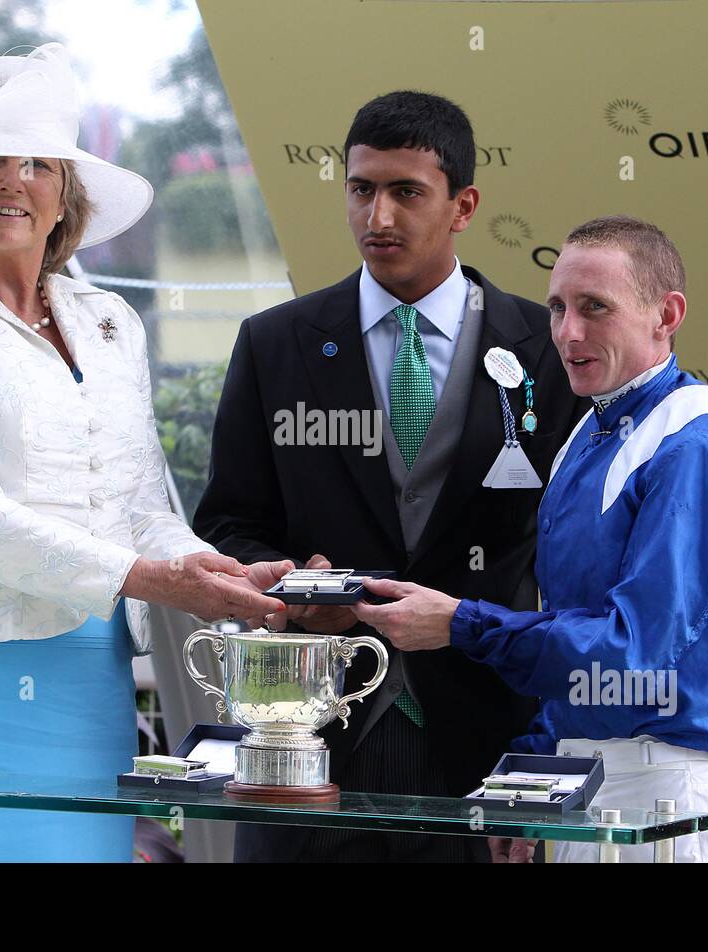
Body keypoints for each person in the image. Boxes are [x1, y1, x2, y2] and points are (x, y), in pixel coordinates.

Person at [0, 43, 288, 863]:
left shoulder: (111, 320)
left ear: (64, 199)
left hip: (89, 667)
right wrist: (155, 581)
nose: (14, 180)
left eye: (39, 165)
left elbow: (137, 506)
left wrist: (219, 574)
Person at [193, 91, 587, 862]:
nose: (379, 217)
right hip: (305, 741)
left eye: (406, 192)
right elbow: (229, 523)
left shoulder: (545, 349)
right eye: (361, 189)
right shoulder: (274, 344)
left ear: (463, 205)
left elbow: (575, 559)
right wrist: (288, 586)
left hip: (490, 745)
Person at [354, 216, 708, 863]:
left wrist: (460, 623)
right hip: (594, 798)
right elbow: (581, 661)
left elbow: (633, 657)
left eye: (595, 308)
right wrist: (531, 776)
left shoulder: (700, 443)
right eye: (557, 308)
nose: (567, 333)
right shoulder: (588, 435)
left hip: (677, 810)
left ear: (666, 315)